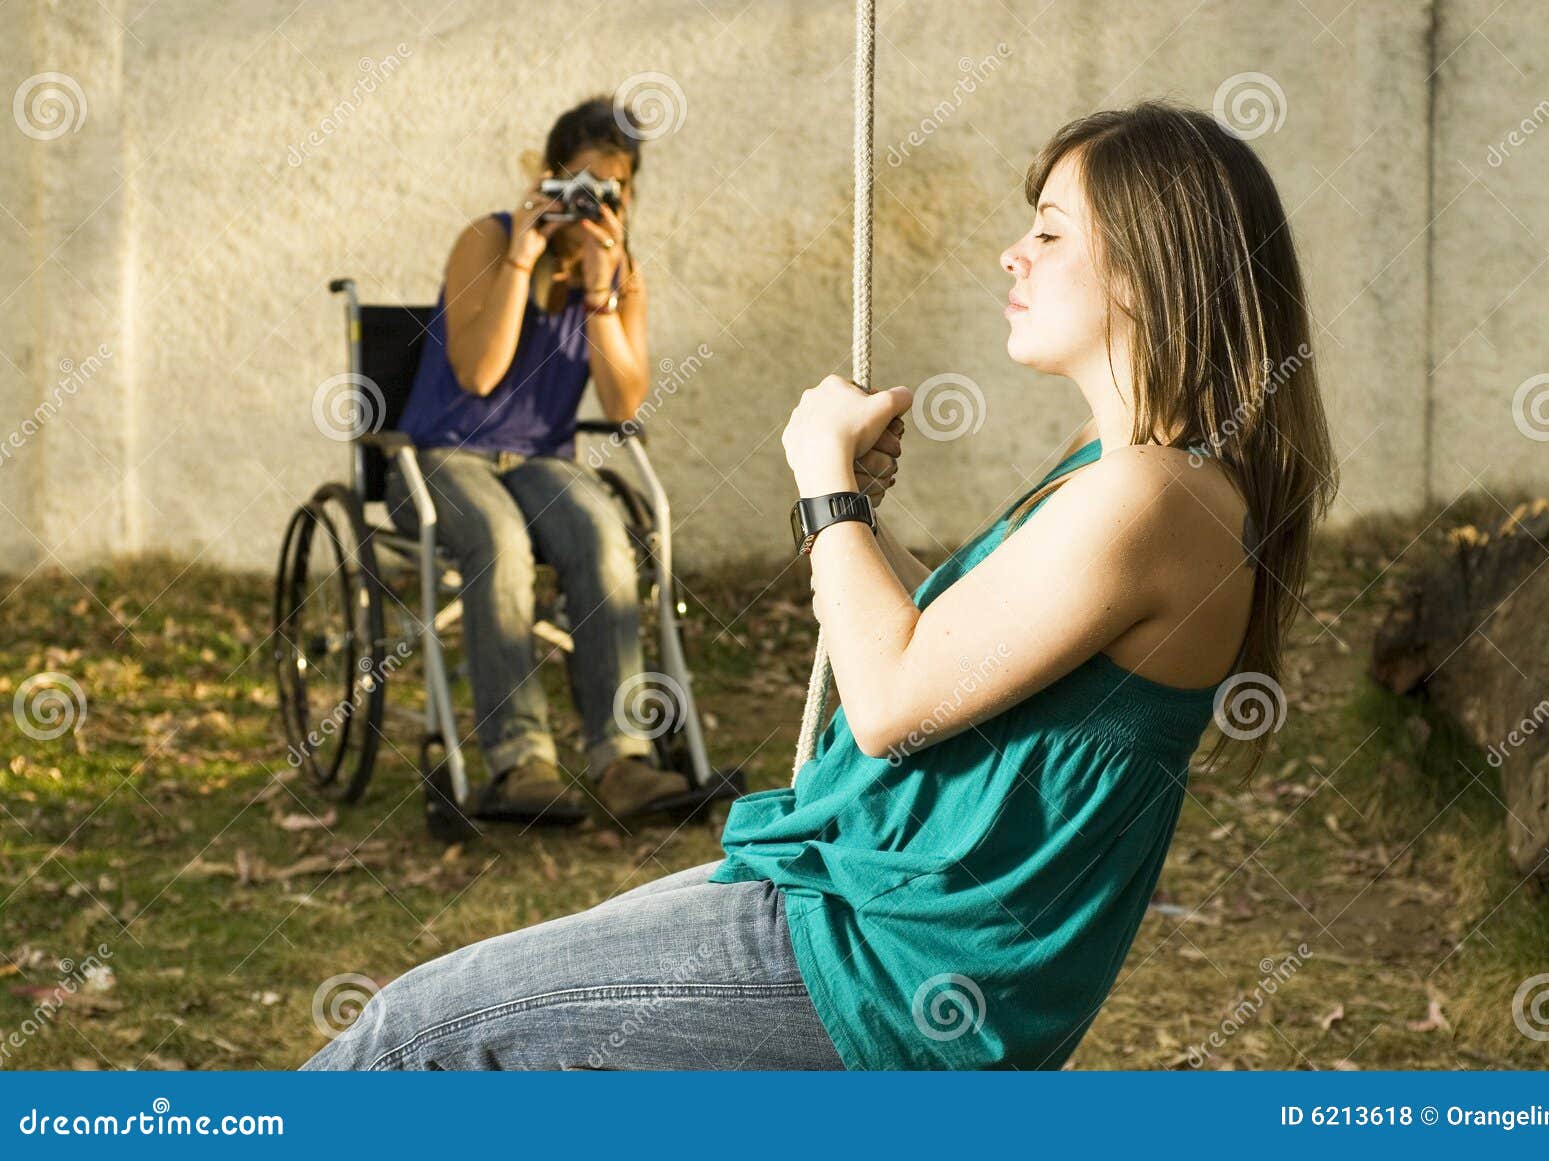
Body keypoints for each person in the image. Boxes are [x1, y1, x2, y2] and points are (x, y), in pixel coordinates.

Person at [305, 101, 1338, 1070]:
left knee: (410, 1037)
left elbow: (889, 703)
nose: (1011, 253)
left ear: (1151, 270)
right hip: (857, 908)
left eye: (1050, 232)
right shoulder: (1123, 473)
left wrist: (825, 490)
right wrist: (857, 521)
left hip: (882, 969)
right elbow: (959, 642)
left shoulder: (1153, 496)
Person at [387, 95, 679, 823]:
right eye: (579, 186)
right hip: (441, 456)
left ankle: (623, 760)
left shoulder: (619, 275)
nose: (591, 205)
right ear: (549, 179)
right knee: (499, 541)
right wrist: (523, 258)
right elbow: (479, 374)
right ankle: (522, 764)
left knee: (604, 536)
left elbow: (622, 402)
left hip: (541, 463)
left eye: (611, 190)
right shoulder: (486, 241)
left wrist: (602, 294)